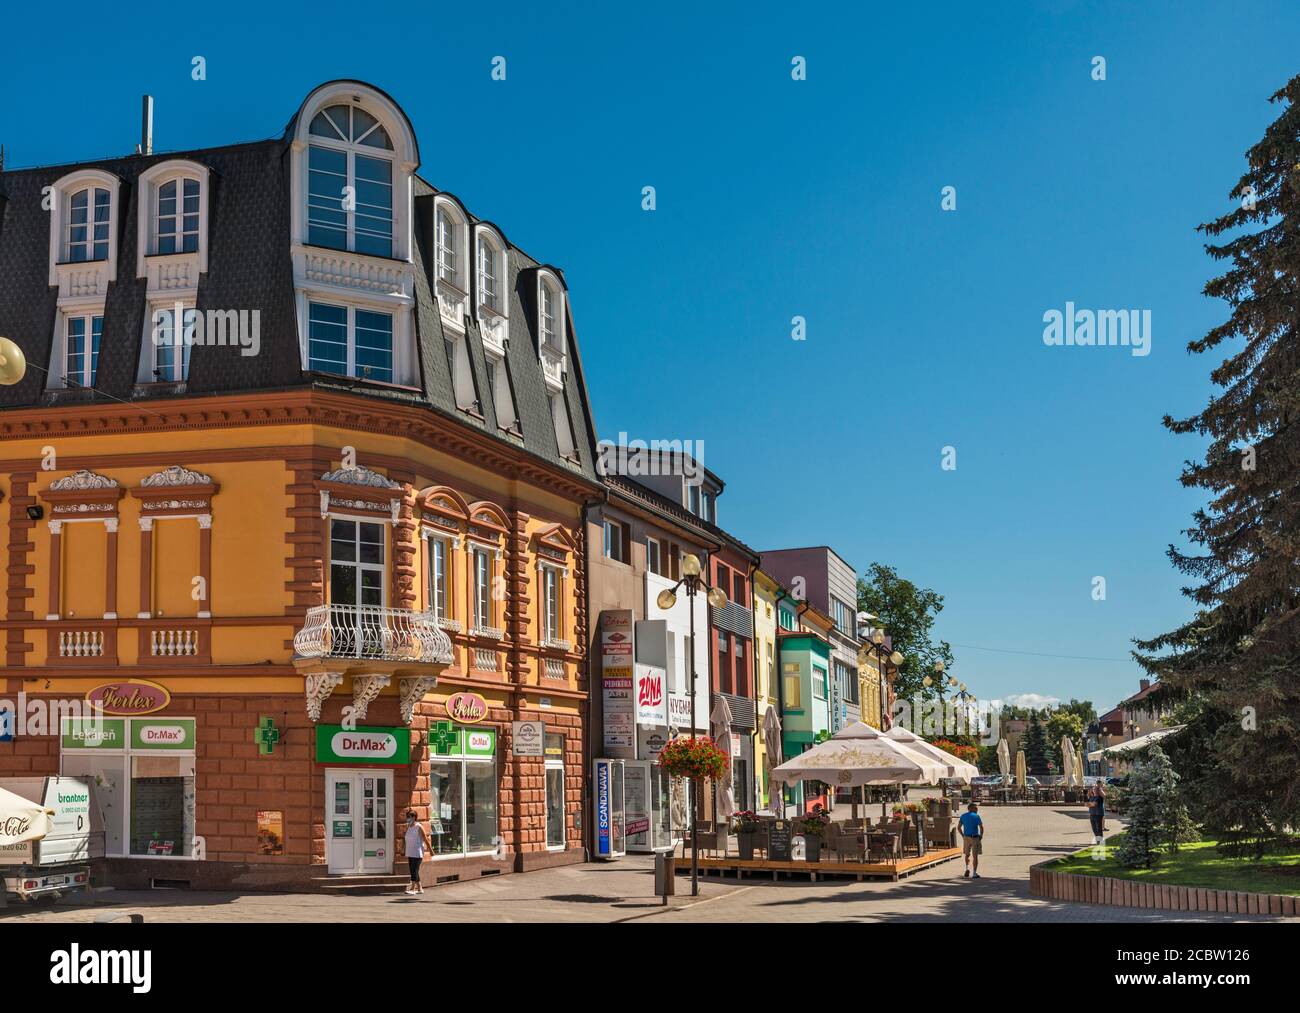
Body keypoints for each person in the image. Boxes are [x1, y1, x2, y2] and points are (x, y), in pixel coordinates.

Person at [403, 810, 433, 895]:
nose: (408, 818)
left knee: (414, 870)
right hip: (410, 851)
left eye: (409, 816)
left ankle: (414, 888)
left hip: (417, 852)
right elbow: (405, 839)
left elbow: (425, 839)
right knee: (412, 870)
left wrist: (430, 850)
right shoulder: (408, 826)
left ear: (414, 817)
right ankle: (419, 888)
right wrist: (403, 849)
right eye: (407, 816)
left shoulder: (419, 827)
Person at [959, 801, 983, 879]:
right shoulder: (976, 816)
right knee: (975, 856)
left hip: (966, 837)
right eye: (976, 808)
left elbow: (958, 827)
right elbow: (981, 827)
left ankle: (967, 868)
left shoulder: (963, 816)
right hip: (974, 837)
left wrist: (963, 835)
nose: (977, 809)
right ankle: (974, 873)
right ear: (971, 808)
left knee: (967, 854)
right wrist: (981, 836)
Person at [1086, 780, 1106, 845]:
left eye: (1095, 789)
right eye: (1093, 789)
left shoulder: (1099, 798)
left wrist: (1089, 804)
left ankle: (1100, 841)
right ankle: (1098, 840)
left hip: (1098, 814)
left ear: (1098, 791)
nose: (1094, 790)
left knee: (1098, 828)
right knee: (1094, 828)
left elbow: (1093, 804)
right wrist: (1089, 803)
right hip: (1092, 814)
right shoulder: (1092, 797)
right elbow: (1086, 803)